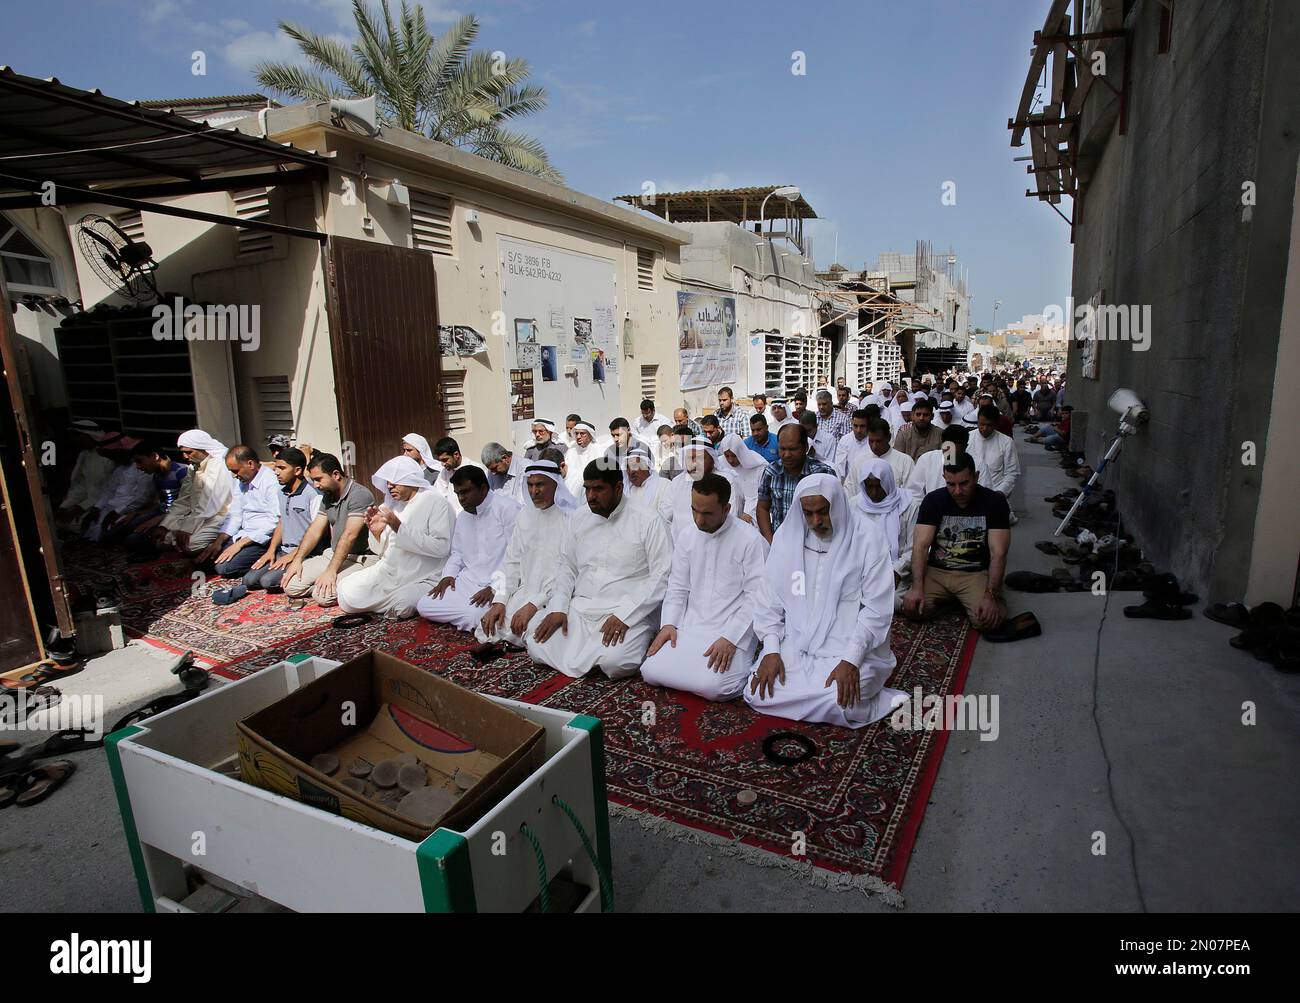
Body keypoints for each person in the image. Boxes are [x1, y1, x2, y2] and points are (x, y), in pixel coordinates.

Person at [744, 474, 905, 728]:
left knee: (839, 701)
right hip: (797, 642)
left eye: (822, 512)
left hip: (850, 646)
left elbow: (876, 609)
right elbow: (769, 597)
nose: (815, 522)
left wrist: (851, 660)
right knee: (757, 693)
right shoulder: (789, 534)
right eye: (808, 513)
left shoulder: (867, 538)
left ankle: (869, 696)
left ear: (838, 505)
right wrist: (772, 650)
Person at [527, 461, 672, 679]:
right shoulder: (579, 518)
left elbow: (662, 575)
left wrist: (625, 614)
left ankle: (619, 648)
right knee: (536, 643)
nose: (591, 496)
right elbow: (566, 566)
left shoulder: (648, 520)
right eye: (587, 489)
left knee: (617, 662)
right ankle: (587, 657)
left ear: (618, 488)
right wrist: (558, 607)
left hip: (627, 609)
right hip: (582, 608)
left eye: (598, 489)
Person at [642, 473, 768, 701]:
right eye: (694, 510)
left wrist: (730, 637)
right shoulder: (688, 536)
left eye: (707, 513)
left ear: (727, 508)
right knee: (650, 672)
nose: (699, 520)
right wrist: (669, 624)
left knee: (716, 687)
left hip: (731, 630)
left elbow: (756, 597)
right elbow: (678, 587)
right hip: (691, 626)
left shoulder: (751, 541)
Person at [337, 456, 457, 619]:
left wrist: (398, 527)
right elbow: (383, 552)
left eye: (394, 482)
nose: (389, 486)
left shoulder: (436, 503)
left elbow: (442, 548)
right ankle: (382, 603)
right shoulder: (392, 505)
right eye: (387, 482)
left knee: (402, 605)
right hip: (391, 572)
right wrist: (377, 532)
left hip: (425, 575)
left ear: (410, 480)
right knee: (347, 591)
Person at [902, 453, 1009, 632]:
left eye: (964, 483)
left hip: (975, 573)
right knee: (912, 609)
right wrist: (916, 587)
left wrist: (990, 596)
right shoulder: (933, 500)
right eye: (951, 485)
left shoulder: (994, 502)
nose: (958, 491)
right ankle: (949, 600)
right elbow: (920, 546)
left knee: (988, 621)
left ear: (976, 476)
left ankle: (985, 598)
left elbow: (999, 552)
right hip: (938, 571)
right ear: (944, 478)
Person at [477, 459, 577, 648]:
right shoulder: (524, 515)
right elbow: (511, 562)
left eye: (540, 485)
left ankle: (510, 643)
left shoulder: (570, 519)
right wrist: (500, 600)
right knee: (487, 623)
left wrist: (533, 604)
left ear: (556, 483)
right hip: (525, 591)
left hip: (555, 597)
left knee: (536, 630)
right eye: (530, 485)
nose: (534, 492)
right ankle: (508, 642)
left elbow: (566, 572)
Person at [416, 465, 519, 630]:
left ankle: (473, 618)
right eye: (457, 494)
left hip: (498, 583)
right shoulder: (463, 516)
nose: (461, 499)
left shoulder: (507, 509)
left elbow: (516, 557)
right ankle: (470, 620)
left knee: (474, 615)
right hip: (468, 581)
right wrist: (448, 575)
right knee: (424, 605)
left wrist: (495, 587)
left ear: (483, 488)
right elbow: (457, 553)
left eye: (465, 492)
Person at [282, 452, 376, 606]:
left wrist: (331, 571)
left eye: (318, 479)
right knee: (291, 585)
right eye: (313, 480)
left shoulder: (360, 495)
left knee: (323, 598)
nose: (316, 485)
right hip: (333, 554)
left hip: (359, 558)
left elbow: (349, 536)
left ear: (336, 474)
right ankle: (332, 587)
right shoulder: (328, 495)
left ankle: (360, 585)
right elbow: (314, 530)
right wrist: (297, 559)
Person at [228, 447, 322, 599]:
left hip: (305, 553)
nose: (276, 472)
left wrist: (294, 555)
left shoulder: (312, 495)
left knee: (268, 582)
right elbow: (281, 522)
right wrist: (271, 551)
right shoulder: (282, 492)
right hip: (283, 550)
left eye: (282, 468)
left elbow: (318, 533)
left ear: (297, 471)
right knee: (249, 580)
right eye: (276, 467)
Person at [142, 429, 232, 559]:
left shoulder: (220, 465)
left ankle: (217, 547)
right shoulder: (193, 467)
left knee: (190, 545)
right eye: (183, 453)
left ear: (203, 449)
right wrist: (165, 525)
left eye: (189, 452)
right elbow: (183, 500)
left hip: (218, 515)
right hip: (196, 516)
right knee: (161, 538)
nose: (185, 457)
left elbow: (210, 504)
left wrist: (188, 528)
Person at [194, 445, 280, 579]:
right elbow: (235, 514)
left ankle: (261, 565)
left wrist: (240, 544)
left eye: (236, 470)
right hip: (243, 534)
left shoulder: (271, 482)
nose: (234, 476)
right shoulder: (242, 481)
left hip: (261, 538)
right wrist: (219, 541)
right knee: (203, 561)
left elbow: (274, 522)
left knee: (225, 568)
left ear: (250, 464)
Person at [853, 458, 921, 609]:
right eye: (869, 487)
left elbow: (914, 548)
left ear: (888, 482)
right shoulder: (854, 505)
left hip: (897, 572)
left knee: (893, 601)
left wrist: (896, 571)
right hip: (862, 570)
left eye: (879, 486)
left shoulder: (908, 505)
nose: (874, 492)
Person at [755, 423, 836, 542]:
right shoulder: (771, 472)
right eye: (782, 449)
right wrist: (770, 540)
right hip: (781, 543)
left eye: (793, 449)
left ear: (805, 448)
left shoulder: (823, 473)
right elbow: (762, 508)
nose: (787, 455)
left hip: (815, 545)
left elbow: (836, 511)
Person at [113, 441, 188, 547]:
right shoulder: (157, 476)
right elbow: (158, 503)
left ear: (155, 456)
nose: (138, 467)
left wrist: (159, 520)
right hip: (161, 513)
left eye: (140, 461)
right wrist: (137, 513)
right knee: (119, 529)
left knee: (133, 540)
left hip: (177, 517)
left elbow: (188, 506)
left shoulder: (182, 473)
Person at [57, 420, 114, 523]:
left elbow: (108, 491)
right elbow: (82, 485)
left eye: (77, 436)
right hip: (89, 503)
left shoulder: (107, 457)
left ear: (89, 436)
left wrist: (82, 507)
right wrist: (65, 506)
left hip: (105, 505)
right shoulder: (85, 455)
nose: (74, 440)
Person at [966, 404, 1020, 506]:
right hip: (967, 494)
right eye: (981, 424)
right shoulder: (967, 438)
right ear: (977, 421)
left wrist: (999, 493)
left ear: (996, 424)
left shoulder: (1007, 442)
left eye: (989, 425)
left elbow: (1012, 473)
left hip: (995, 493)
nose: (984, 428)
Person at [716, 432, 767, 518]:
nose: (730, 460)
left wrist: (748, 513)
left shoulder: (757, 465)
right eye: (727, 456)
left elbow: (758, 496)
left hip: (754, 511)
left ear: (741, 452)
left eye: (734, 456)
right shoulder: (720, 464)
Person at [432, 437, 485, 514]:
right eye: (441, 461)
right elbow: (439, 495)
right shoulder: (444, 472)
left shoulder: (476, 469)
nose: (442, 464)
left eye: (445, 460)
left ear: (456, 455)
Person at [623, 446, 672, 523]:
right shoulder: (628, 493)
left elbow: (665, 516)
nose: (631, 472)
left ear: (648, 466)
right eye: (627, 468)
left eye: (635, 465)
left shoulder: (665, 485)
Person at [834, 409, 875, 493]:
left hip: (871, 485)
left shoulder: (874, 440)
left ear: (868, 426)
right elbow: (840, 468)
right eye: (855, 426)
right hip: (850, 486)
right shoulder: (845, 440)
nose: (858, 430)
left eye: (862, 426)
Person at [563, 421, 604, 497]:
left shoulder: (599, 451)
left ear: (590, 435)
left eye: (582, 433)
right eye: (576, 433)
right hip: (571, 490)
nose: (578, 437)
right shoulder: (571, 450)